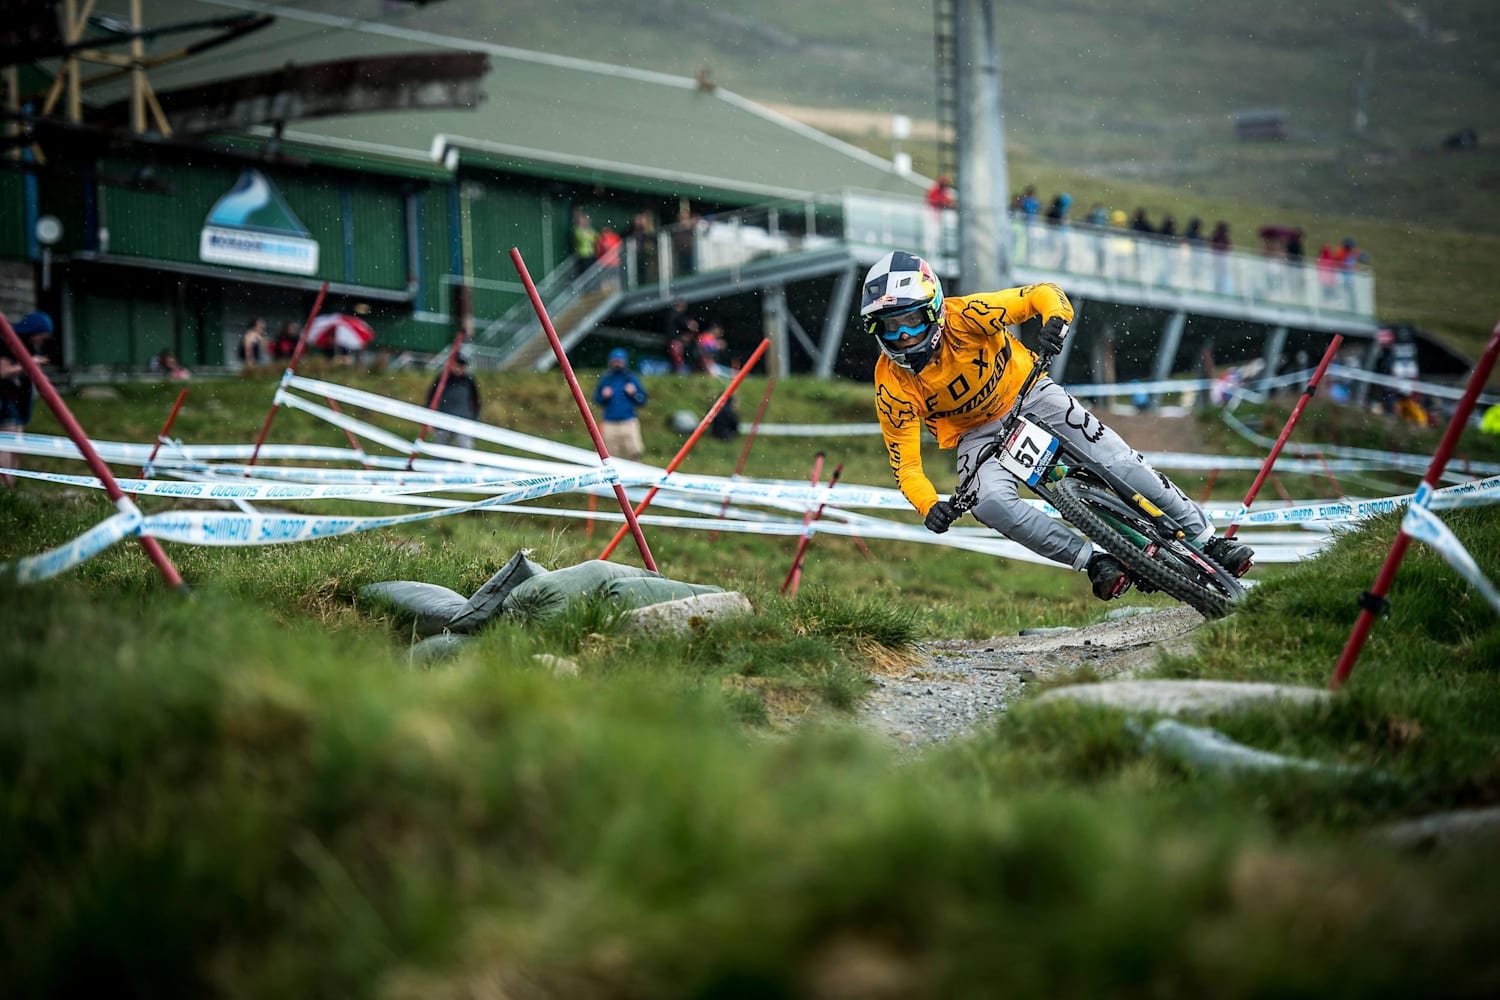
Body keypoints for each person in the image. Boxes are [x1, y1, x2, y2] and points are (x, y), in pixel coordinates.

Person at [860, 250, 1253, 601]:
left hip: (1030, 393)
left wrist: (1056, 320)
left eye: (911, 320)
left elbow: (1041, 293)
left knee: (1118, 462)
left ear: (935, 309)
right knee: (989, 503)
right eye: (889, 327)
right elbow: (908, 468)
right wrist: (930, 506)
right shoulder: (891, 387)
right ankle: (1093, 562)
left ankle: (1209, 540)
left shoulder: (968, 315)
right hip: (975, 436)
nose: (904, 336)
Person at [0, 313, 48, 488]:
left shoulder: (30, 347)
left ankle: (10, 487)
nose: (42, 340)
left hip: (20, 403)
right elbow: (3, 372)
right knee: (6, 445)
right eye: (41, 336)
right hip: (6, 401)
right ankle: (4, 488)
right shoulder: (7, 344)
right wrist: (29, 364)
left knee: (17, 447)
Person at [594, 348, 648, 459]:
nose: (617, 363)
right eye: (615, 361)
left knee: (635, 453)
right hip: (609, 422)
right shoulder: (606, 379)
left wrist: (634, 394)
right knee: (610, 456)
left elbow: (642, 400)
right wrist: (604, 396)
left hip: (628, 421)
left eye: (620, 361)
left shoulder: (631, 378)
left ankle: (635, 474)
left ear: (624, 361)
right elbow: (597, 400)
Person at [425, 350, 482, 450]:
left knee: (466, 450)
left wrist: (475, 419)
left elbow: (476, 402)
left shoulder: (469, 380)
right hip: (443, 420)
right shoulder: (442, 379)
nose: (460, 369)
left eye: (462, 366)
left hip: (464, 421)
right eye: (458, 365)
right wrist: (429, 420)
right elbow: (431, 399)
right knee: (440, 450)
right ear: (452, 364)